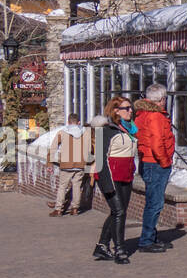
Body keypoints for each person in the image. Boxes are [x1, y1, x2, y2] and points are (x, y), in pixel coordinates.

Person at [91, 97, 137, 264]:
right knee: (119, 212)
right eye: (126, 108)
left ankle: (102, 245)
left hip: (126, 176)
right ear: (116, 111)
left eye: (131, 108)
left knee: (118, 212)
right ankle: (120, 249)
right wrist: (107, 184)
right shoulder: (106, 130)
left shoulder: (129, 130)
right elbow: (101, 160)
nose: (130, 111)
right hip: (111, 177)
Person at [134, 82, 175, 253]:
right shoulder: (156, 116)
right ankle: (147, 240)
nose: (165, 101)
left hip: (148, 161)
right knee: (155, 203)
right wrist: (165, 161)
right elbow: (158, 142)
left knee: (153, 202)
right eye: (164, 98)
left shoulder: (142, 114)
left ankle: (151, 236)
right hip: (156, 163)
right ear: (160, 99)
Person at [46, 111, 91, 217]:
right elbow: (89, 149)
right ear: (79, 122)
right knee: (76, 186)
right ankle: (75, 208)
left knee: (62, 187)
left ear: (68, 122)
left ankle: (58, 209)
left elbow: (53, 147)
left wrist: (50, 162)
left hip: (66, 163)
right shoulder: (86, 133)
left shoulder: (62, 132)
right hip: (80, 164)